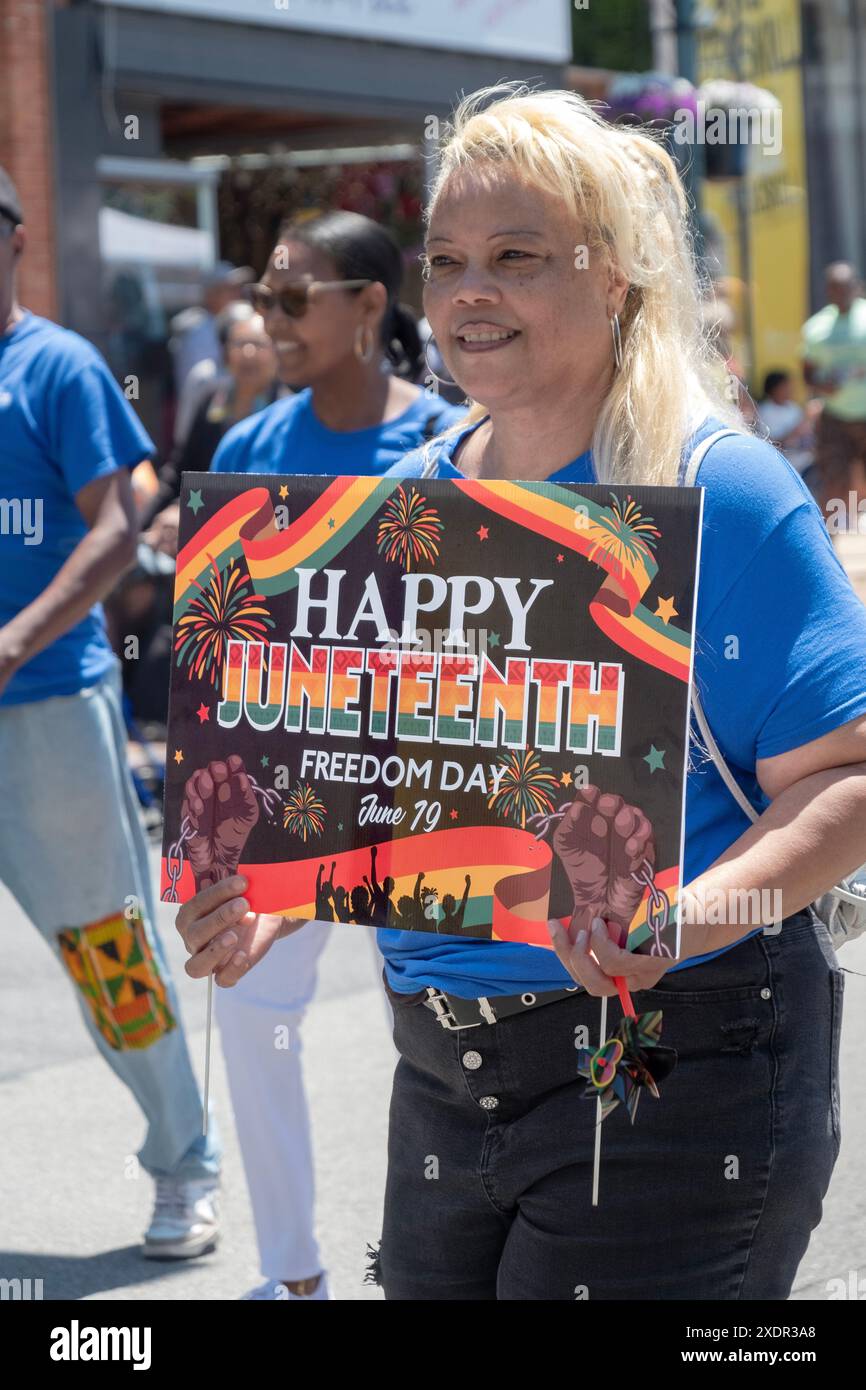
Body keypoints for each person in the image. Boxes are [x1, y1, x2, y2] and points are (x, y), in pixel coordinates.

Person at [174, 85, 866, 1300]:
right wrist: (288, 885)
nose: (466, 292)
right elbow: (405, 772)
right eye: (446, 261)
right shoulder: (417, 491)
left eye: (515, 257)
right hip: (438, 1074)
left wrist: (675, 920)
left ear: (615, 278)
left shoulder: (723, 491)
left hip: (674, 1066)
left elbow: (846, 778)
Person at [199, 210, 466, 1301]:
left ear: (367, 309)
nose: (268, 320)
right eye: (264, 299)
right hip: (284, 787)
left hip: (424, 791)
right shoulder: (244, 452)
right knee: (251, 1011)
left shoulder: (455, 447)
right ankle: (291, 1275)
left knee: (446, 1040)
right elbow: (217, 643)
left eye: (290, 297)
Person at [0, 165, 223, 1258]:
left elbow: (118, 529)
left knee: (108, 949)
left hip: (45, 710)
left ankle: (184, 1166)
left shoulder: (57, 368)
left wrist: (13, 640)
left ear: (16, 241)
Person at [143, 303, 280, 528]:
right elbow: (180, 472)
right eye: (239, 343)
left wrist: (188, 513)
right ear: (225, 354)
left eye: (257, 344)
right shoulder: (211, 403)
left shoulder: (286, 413)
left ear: (276, 352)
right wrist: (142, 528)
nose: (248, 353)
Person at [801, 261, 866, 518]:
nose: (842, 292)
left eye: (846, 286)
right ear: (828, 290)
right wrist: (822, 384)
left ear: (856, 286)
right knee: (834, 483)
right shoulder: (817, 328)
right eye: (836, 288)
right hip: (835, 417)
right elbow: (807, 373)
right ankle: (830, 547)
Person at [169, 260, 255, 406]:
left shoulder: (229, 323)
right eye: (229, 289)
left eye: (237, 288)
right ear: (211, 294)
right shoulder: (197, 331)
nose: (237, 294)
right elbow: (202, 383)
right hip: (208, 414)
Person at [756, 369, 815, 478]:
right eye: (785, 386)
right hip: (787, 468)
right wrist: (797, 429)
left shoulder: (794, 408)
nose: (790, 390)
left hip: (807, 463)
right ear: (773, 388)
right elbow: (771, 444)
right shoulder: (765, 412)